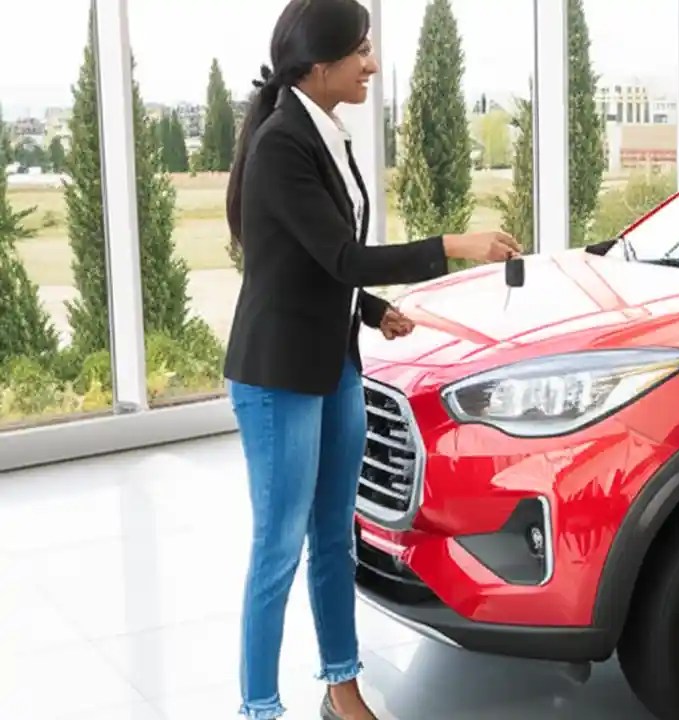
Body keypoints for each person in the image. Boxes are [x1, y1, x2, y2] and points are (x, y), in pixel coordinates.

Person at [222, 1, 521, 718]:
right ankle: (259, 708)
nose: (372, 64)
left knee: (336, 539)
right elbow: (343, 254)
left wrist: (370, 310)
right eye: (359, 51)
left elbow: (316, 263)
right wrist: (454, 245)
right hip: (277, 377)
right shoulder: (281, 146)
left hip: (335, 366)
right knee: (279, 551)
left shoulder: (328, 134)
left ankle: (343, 685)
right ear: (318, 65)